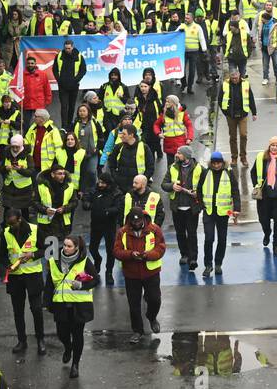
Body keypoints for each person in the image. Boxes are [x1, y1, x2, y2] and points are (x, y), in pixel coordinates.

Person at [44, 234, 97, 378]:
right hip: (61, 305)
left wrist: (82, 285)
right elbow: (49, 283)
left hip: (78, 306)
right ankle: (68, 347)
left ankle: (75, 364)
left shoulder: (85, 262)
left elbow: (95, 280)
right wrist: (46, 302)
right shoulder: (54, 261)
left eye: (69, 246)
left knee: (78, 335)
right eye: (65, 245)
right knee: (62, 334)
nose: (66, 248)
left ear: (76, 248)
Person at [112, 209, 166, 344]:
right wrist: (131, 255)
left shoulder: (155, 230)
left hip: (151, 272)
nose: (136, 224)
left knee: (155, 299)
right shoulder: (122, 232)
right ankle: (137, 330)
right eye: (133, 221)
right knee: (134, 304)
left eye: (138, 221)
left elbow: (161, 247)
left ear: (143, 219)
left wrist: (148, 255)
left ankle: (151, 317)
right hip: (132, 274)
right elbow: (117, 251)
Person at [0, 208, 45, 355]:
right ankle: (21, 341)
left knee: (36, 309)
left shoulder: (36, 230)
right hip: (15, 277)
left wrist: (34, 254)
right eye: (8, 223)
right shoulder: (5, 233)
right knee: (18, 311)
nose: (10, 226)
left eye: (13, 223)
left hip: (33, 276)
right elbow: (2, 255)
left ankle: (40, 340)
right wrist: (6, 269)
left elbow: (50, 248)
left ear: (20, 219)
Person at [250, 136, 277, 256]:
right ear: (269, 146)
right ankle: (267, 232)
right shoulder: (261, 157)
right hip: (264, 194)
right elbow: (253, 172)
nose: (274, 147)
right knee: (263, 219)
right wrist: (256, 184)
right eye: (272, 145)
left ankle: (276, 245)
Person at [162, 145, 203, 273]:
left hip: (192, 207)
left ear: (186, 155)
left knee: (191, 233)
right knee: (180, 233)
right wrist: (172, 186)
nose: (177, 155)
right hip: (177, 207)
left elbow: (205, 184)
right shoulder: (172, 168)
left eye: (179, 153)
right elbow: (164, 184)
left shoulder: (199, 168)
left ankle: (193, 259)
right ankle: (184, 255)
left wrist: (199, 193)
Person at [199, 151, 240, 277]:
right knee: (209, 238)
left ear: (222, 163)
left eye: (218, 163)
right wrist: (201, 204)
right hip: (209, 211)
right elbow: (199, 189)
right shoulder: (205, 173)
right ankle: (208, 265)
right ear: (211, 163)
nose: (216, 165)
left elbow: (235, 191)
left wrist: (236, 208)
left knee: (222, 240)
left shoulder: (228, 173)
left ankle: (218, 264)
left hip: (223, 212)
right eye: (214, 163)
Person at [83, 173, 123, 284]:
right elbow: (86, 197)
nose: (100, 184)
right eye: (99, 182)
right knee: (92, 248)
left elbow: (118, 207)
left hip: (109, 225)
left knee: (110, 250)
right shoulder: (95, 191)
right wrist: (86, 203)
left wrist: (107, 211)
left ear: (108, 184)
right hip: (96, 224)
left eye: (103, 183)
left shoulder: (116, 193)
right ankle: (97, 259)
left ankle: (109, 271)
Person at [219, 69, 257, 168]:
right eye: (233, 78)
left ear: (239, 75)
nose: (235, 80)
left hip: (243, 114)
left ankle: (243, 157)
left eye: (236, 78)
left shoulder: (245, 84)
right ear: (230, 77)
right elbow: (220, 99)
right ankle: (234, 157)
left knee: (243, 135)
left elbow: (251, 98)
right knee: (233, 137)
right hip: (230, 115)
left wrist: (254, 112)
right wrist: (225, 112)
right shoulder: (225, 84)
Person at [107, 123, 155, 194]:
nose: (121, 136)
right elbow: (111, 164)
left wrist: (143, 180)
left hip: (138, 187)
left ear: (131, 135)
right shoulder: (118, 147)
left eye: (124, 134)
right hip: (121, 187)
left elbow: (150, 167)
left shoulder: (144, 147)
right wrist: (116, 178)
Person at [35, 163, 77, 241]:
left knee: (62, 247)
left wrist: (64, 209)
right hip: (46, 224)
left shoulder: (70, 185)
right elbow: (35, 202)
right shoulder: (41, 186)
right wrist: (45, 210)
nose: (62, 176)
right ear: (52, 174)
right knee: (48, 248)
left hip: (63, 223)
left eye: (64, 174)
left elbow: (74, 202)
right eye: (59, 174)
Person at [52, 38, 86, 130]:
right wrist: (59, 80)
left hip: (74, 86)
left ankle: (70, 124)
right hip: (62, 86)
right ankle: (64, 126)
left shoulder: (78, 56)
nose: (67, 50)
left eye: (69, 48)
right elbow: (54, 69)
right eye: (66, 48)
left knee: (72, 106)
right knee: (64, 106)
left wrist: (76, 80)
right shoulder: (59, 55)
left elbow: (83, 70)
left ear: (72, 47)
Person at [155, 94, 195, 173]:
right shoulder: (163, 114)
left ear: (174, 103)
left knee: (182, 165)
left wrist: (189, 138)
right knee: (170, 166)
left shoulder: (182, 113)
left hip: (180, 143)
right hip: (169, 143)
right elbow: (156, 124)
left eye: (168, 102)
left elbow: (189, 126)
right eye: (166, 101)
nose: (166, 103)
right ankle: (171, 181)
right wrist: (158, 133)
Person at [24, 108, 62, 175]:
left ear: (42, 119)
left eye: (36, 116)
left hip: (47, 165)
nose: (33, 118)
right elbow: (27, 139)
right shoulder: (33, 127)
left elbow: (58, 147)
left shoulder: (53, 130)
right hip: (33, 162)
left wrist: (60, 165)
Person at [20, 53, 52, 131]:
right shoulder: (21, 75)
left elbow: (47, 88)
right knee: (26, 124)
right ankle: (26, 140)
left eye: (32, 63)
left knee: (41, 123)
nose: (30, 65)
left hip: (39, 104)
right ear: (26, 64)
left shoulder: (42, 74)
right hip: (26, 104)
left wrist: (47, 101)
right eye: (28, 63)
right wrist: (19, 103)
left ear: (35, 64)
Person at [257, 8, 277, 89]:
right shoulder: (262, 24)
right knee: (265, 64)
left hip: (274, 48)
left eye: (262, 19)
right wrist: (260, 43)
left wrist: (276, 46)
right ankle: (265, 78)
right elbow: (260, 35)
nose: (261, 20)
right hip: (265, 48)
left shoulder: (276, 26)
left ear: (266, 19)